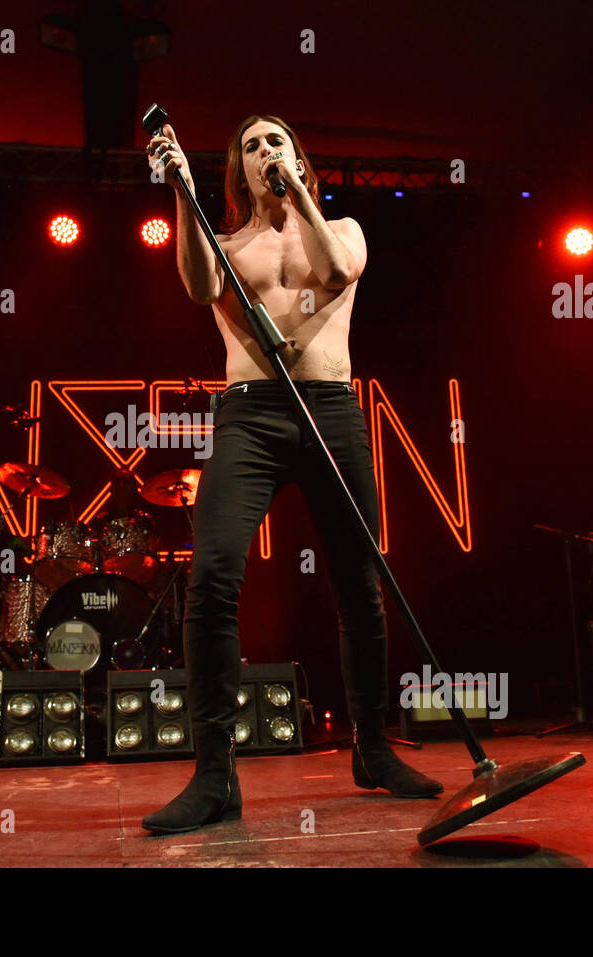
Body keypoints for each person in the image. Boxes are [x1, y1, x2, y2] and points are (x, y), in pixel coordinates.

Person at [140, 115, 442, 833]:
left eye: (277, 142)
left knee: (358, 583)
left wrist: (300, 195)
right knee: (213, 573)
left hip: (331, 409)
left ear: (299, 159)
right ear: (236, 171)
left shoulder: (343, 229)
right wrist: (181, 192)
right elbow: (196, 284)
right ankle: (215, 774)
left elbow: (337, 272)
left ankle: (372, 748)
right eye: (251, 147)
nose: (265, 153)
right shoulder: (227, 244)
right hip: (251, 413)